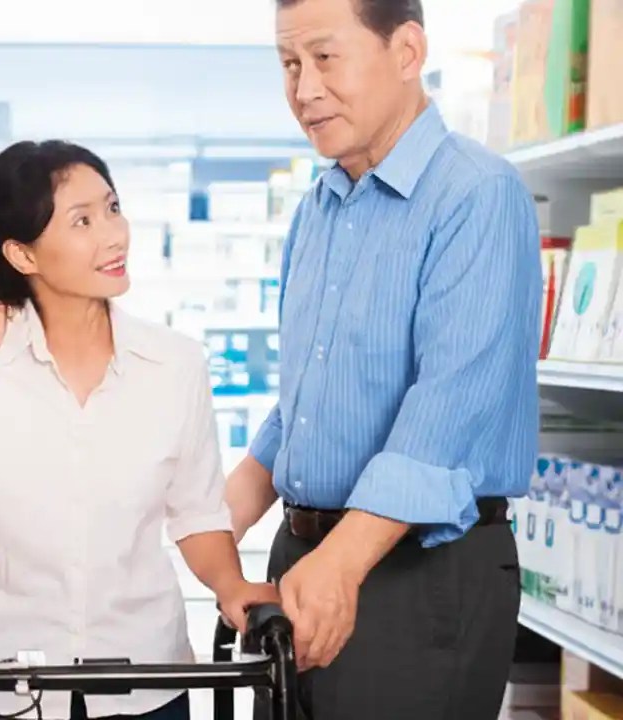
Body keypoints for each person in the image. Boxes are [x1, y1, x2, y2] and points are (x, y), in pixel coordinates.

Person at [0, 140, 281, 720]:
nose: (113, 235)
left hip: (146, 679)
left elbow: (197, 517)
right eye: (82, 221)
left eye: (112, 208)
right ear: (23, 255)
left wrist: (233, 589)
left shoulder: (176, 365)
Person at [220, 1, 538, 718]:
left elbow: (447, 409)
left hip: (413, 574)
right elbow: (307, 399)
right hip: (304, 560)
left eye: (325, 58)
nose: (303, 90)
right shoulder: (319, 207)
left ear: (406, 50)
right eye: (289, 65)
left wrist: (340, 562)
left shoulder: (478, 195)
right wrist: (212, 526)